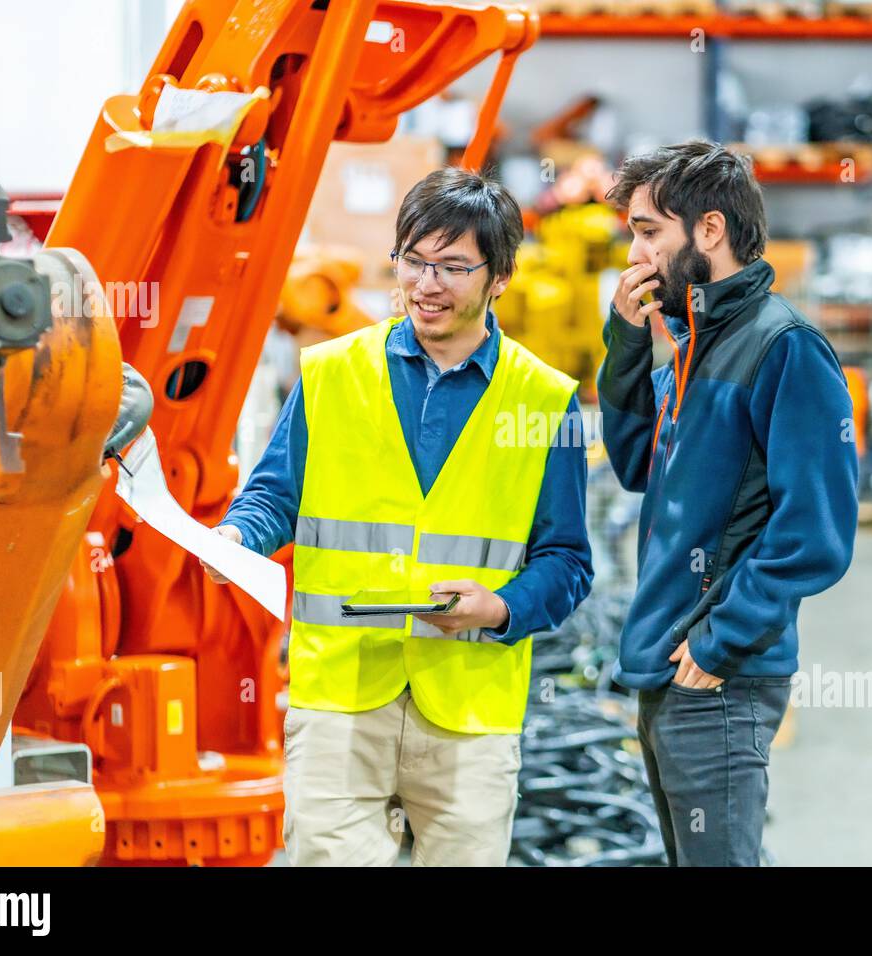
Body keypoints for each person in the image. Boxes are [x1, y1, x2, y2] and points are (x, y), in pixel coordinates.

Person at [204, 167, 592, 866]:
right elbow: (274, 496)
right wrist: (238, 536)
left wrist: (499, 608)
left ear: (499, 276)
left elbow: (567, 560)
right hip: (341, 698)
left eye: (451, 267)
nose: (426, 284)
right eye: (413, 261)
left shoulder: (544, 400)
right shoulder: (331, 373)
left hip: (469, 710)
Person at [597, 141, 858, 867]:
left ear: (708, 229)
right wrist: (624, 340)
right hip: (666, 666)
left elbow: (817, 531)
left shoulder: (784, 348)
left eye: (650, 231)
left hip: (718, 675)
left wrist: (720, 641)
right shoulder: (693, 342)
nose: (637, 252)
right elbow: (634, 464)